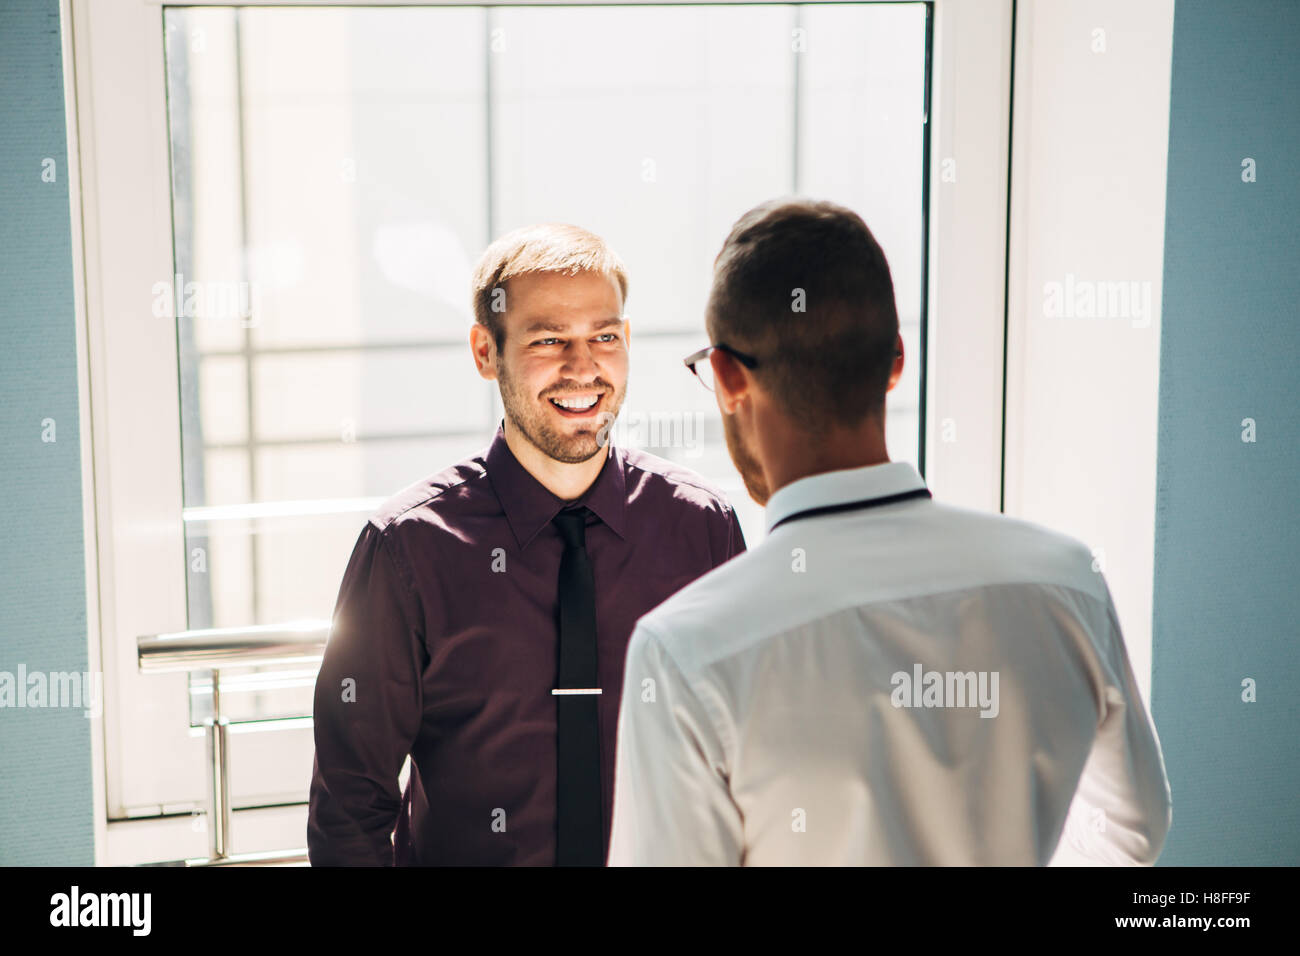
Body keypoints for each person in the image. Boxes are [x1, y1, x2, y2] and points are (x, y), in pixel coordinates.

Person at [606, 198, 1172, 866]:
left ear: (729, 378)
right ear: (895, 361)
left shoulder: (688, 651)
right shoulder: (1065, 580)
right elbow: (1133, 831)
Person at [307, 223, 746, 866]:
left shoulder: (702, 530)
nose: (583, 368)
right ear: (486, 352)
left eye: (604, 337)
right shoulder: (407, 550)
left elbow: (748, 761)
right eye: (548, 340)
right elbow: (350, 810)